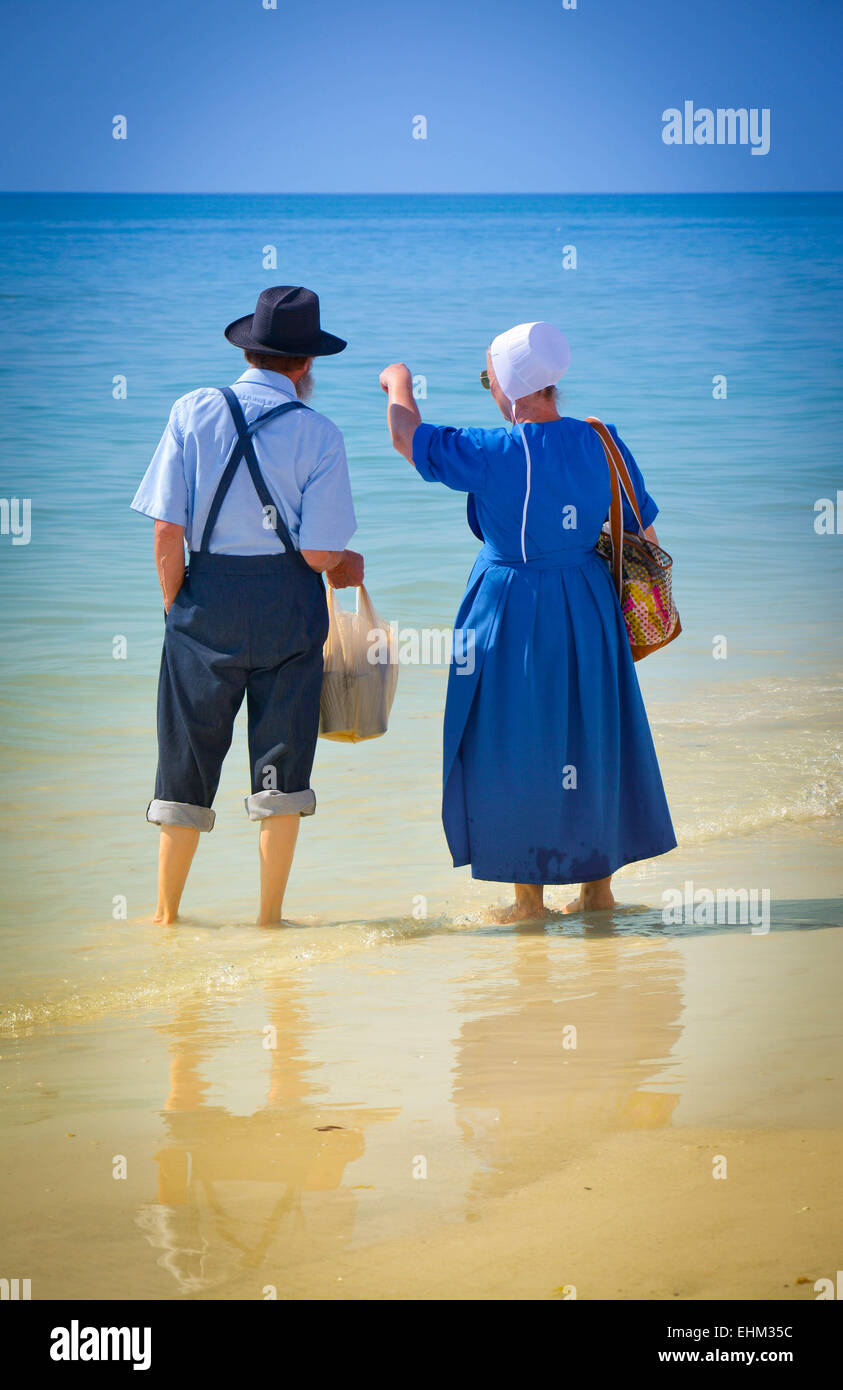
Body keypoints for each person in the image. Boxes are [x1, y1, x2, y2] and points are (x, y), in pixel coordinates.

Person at [379, 321, 677, 921]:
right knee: (588, 737)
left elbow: (406, 437)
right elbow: (642, 530)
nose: (488, 388)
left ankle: (529, 902)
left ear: (510, 389)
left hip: (514, 607)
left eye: (488, 378)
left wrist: (398, 382)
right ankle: (597, 893)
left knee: (511, 744)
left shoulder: (493, 452)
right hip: (590, 604)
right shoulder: (603, 438)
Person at [132, 285, 363, 926]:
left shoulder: (194, 410)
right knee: (280, 766)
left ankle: (165, 916)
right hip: (289, 607)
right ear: (305, 364)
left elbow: (165, 529)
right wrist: (349, 565)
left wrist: (179, 606)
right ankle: (268, 920)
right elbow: (320, 555)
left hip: (204, 602)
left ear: (251, 351)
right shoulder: (319, 434)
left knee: (186, 758)